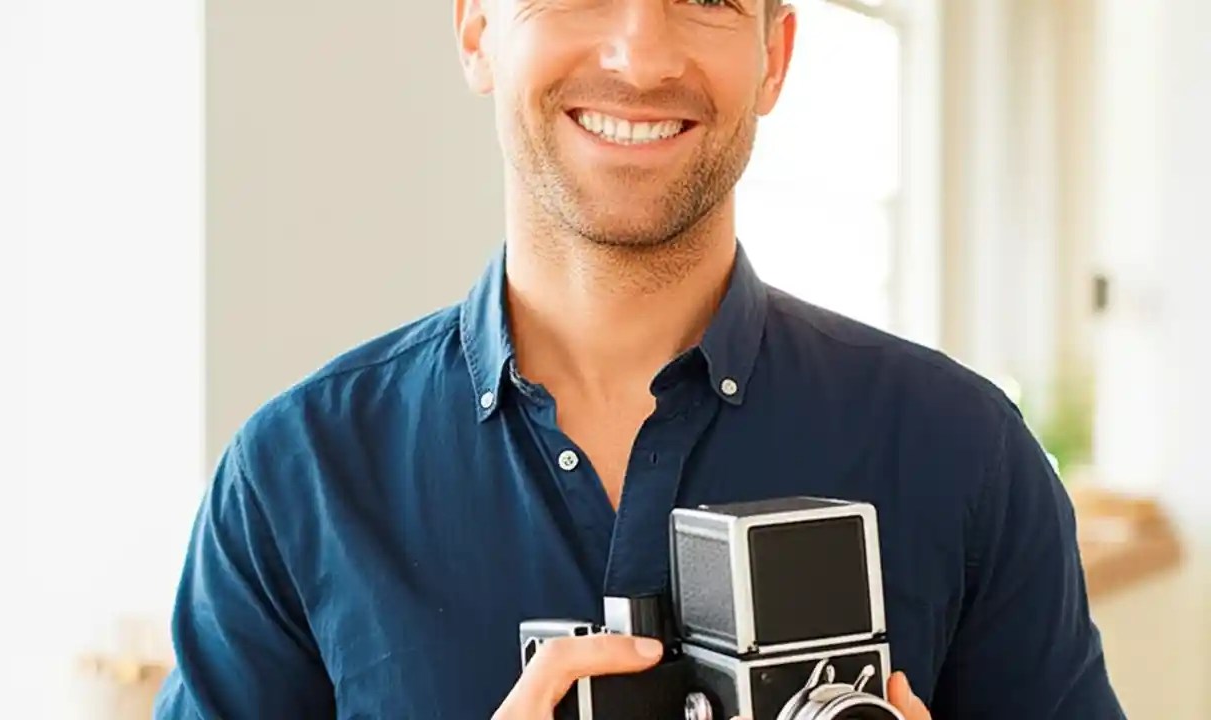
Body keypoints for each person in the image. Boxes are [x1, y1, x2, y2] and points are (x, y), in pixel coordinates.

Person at [154, 0, 1126, 717]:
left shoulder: (963, 451)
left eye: (705, 0)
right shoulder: (296, 476)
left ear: (773, 56)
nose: (640, 52)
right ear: (473, 29)